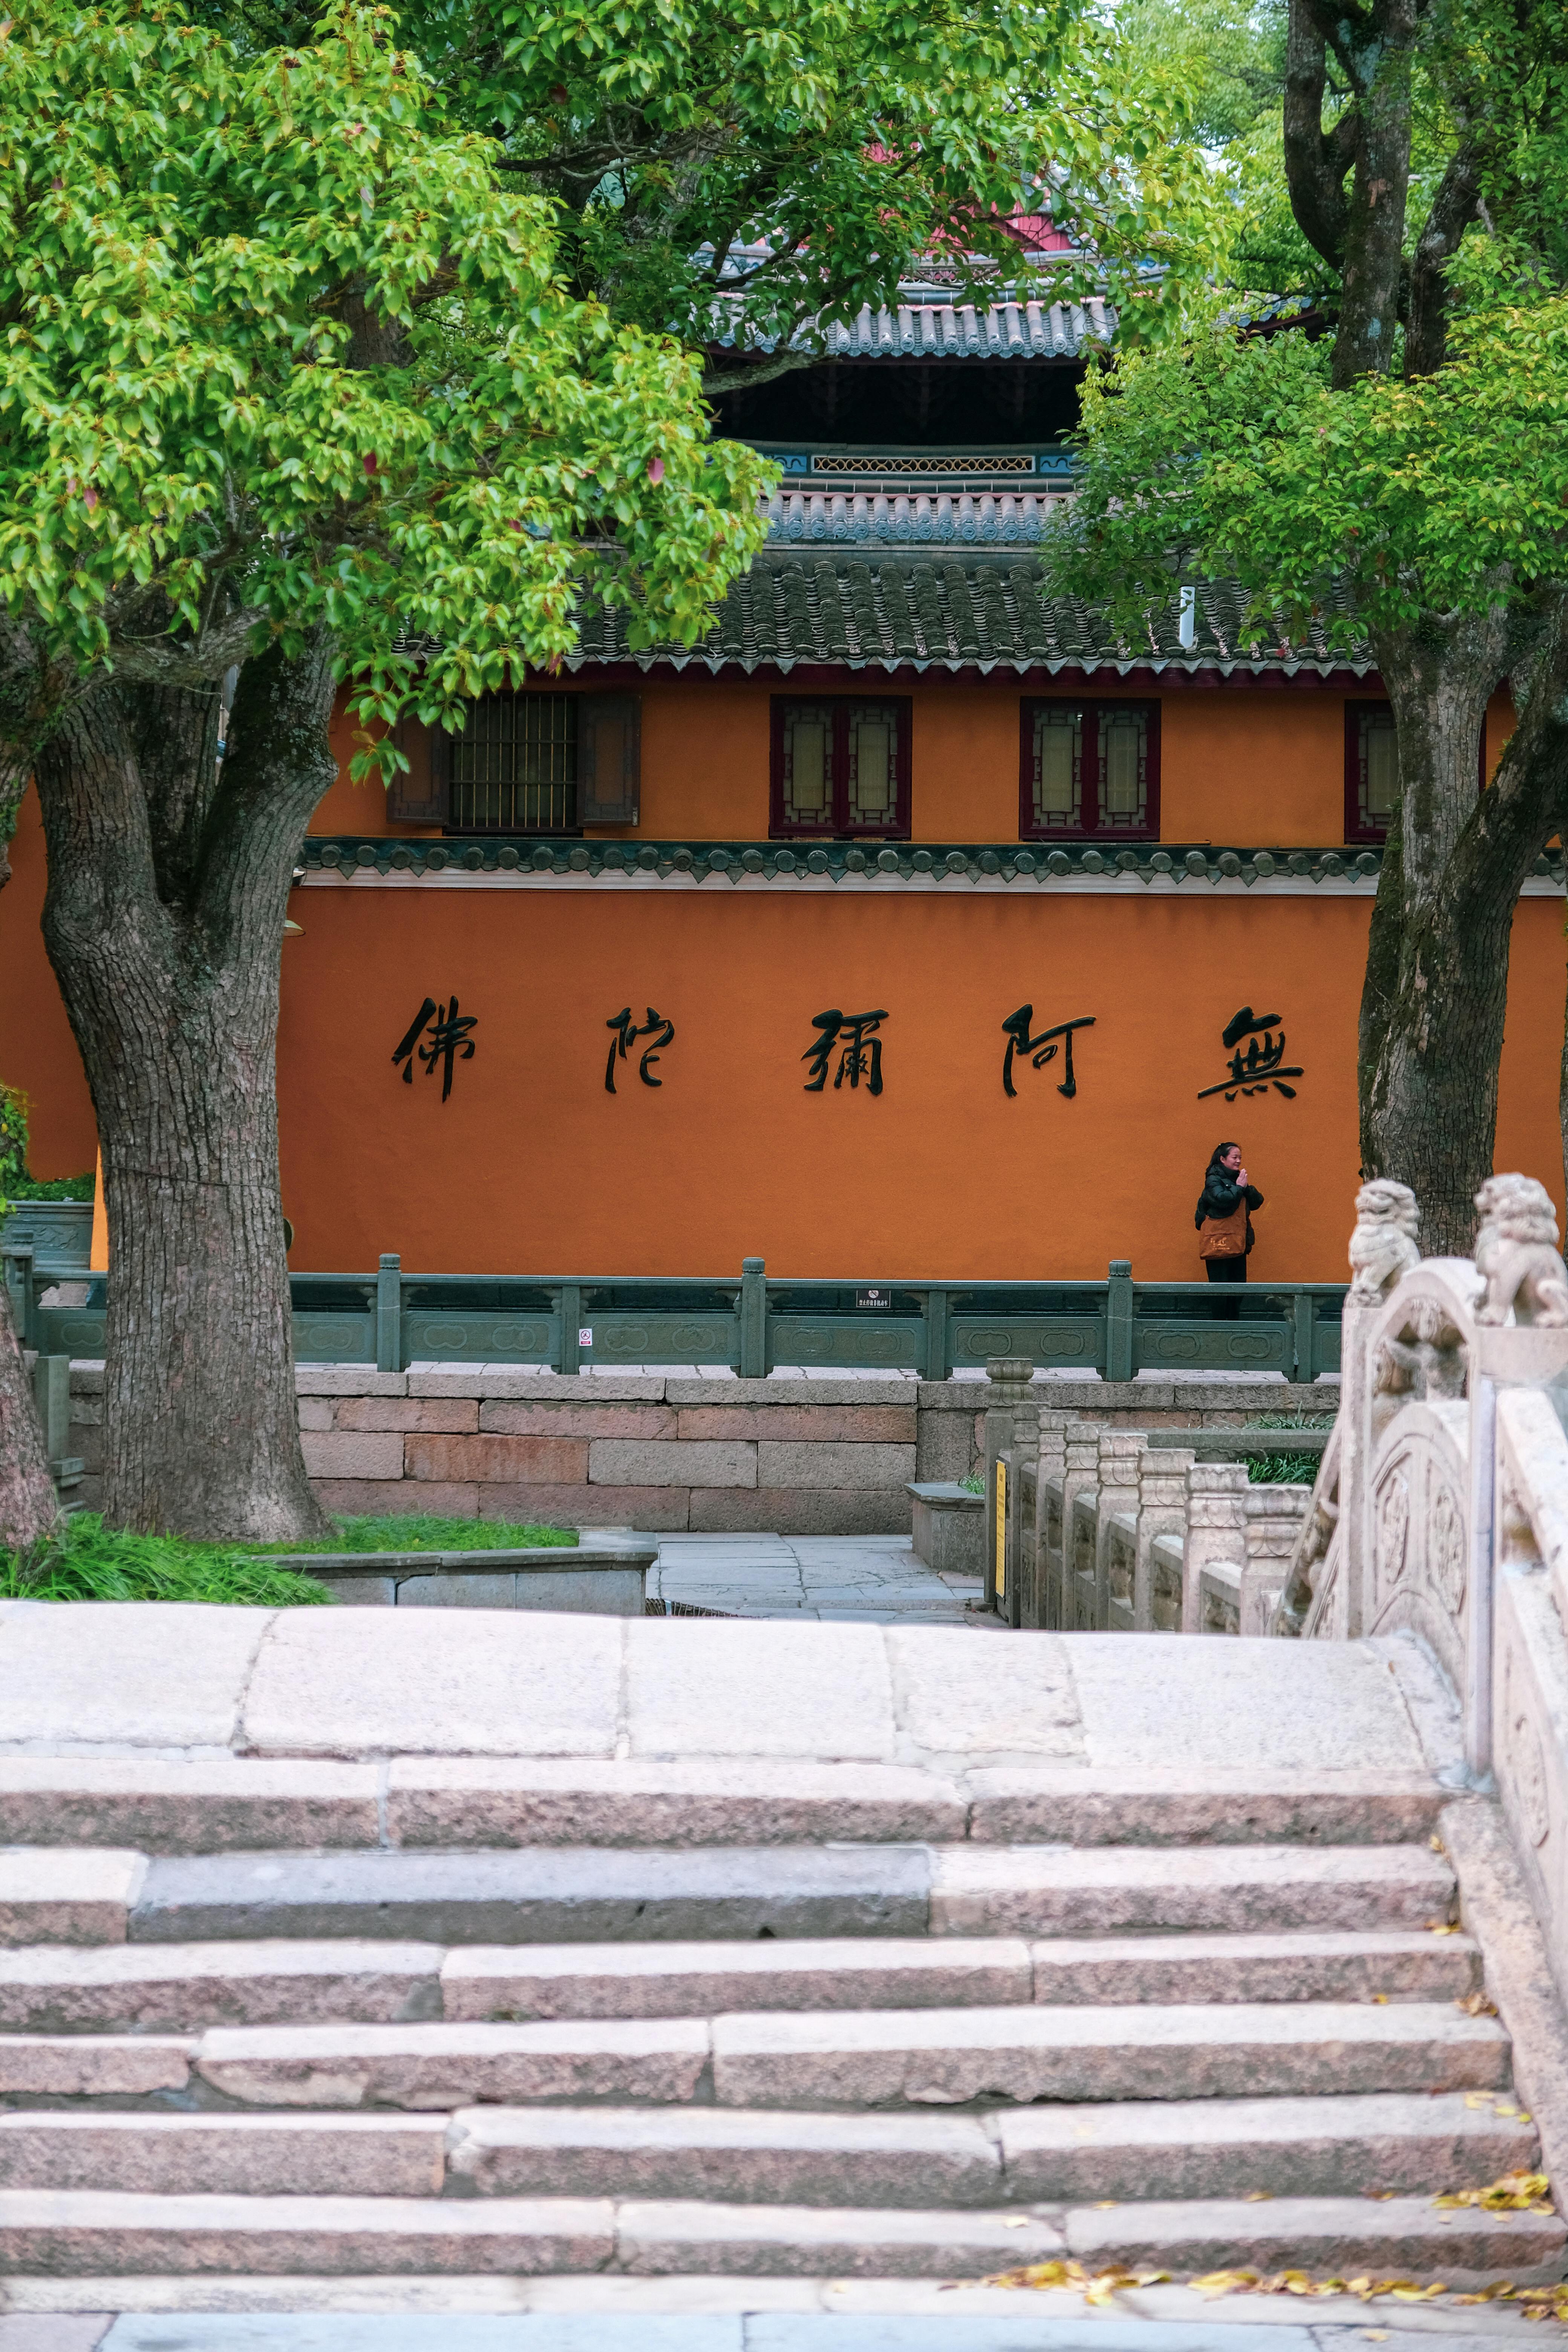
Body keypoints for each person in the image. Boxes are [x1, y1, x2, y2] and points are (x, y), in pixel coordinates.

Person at [1194, 1141, 1263, 1315]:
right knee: (1220, 1289)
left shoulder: (1238, 1180)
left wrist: (1246, 1188)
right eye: (1235, 1157)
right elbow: (1222, 1200)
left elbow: (1257, 1202)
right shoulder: (1213, 1180)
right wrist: (1239, 1188)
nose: (1239, 1161)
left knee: (1239, 1287)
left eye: (1240, 1157)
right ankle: (1220, 1324)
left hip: (1238, 1241)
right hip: (1219, 1241)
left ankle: (1234, 1323)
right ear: (1223, 1159)